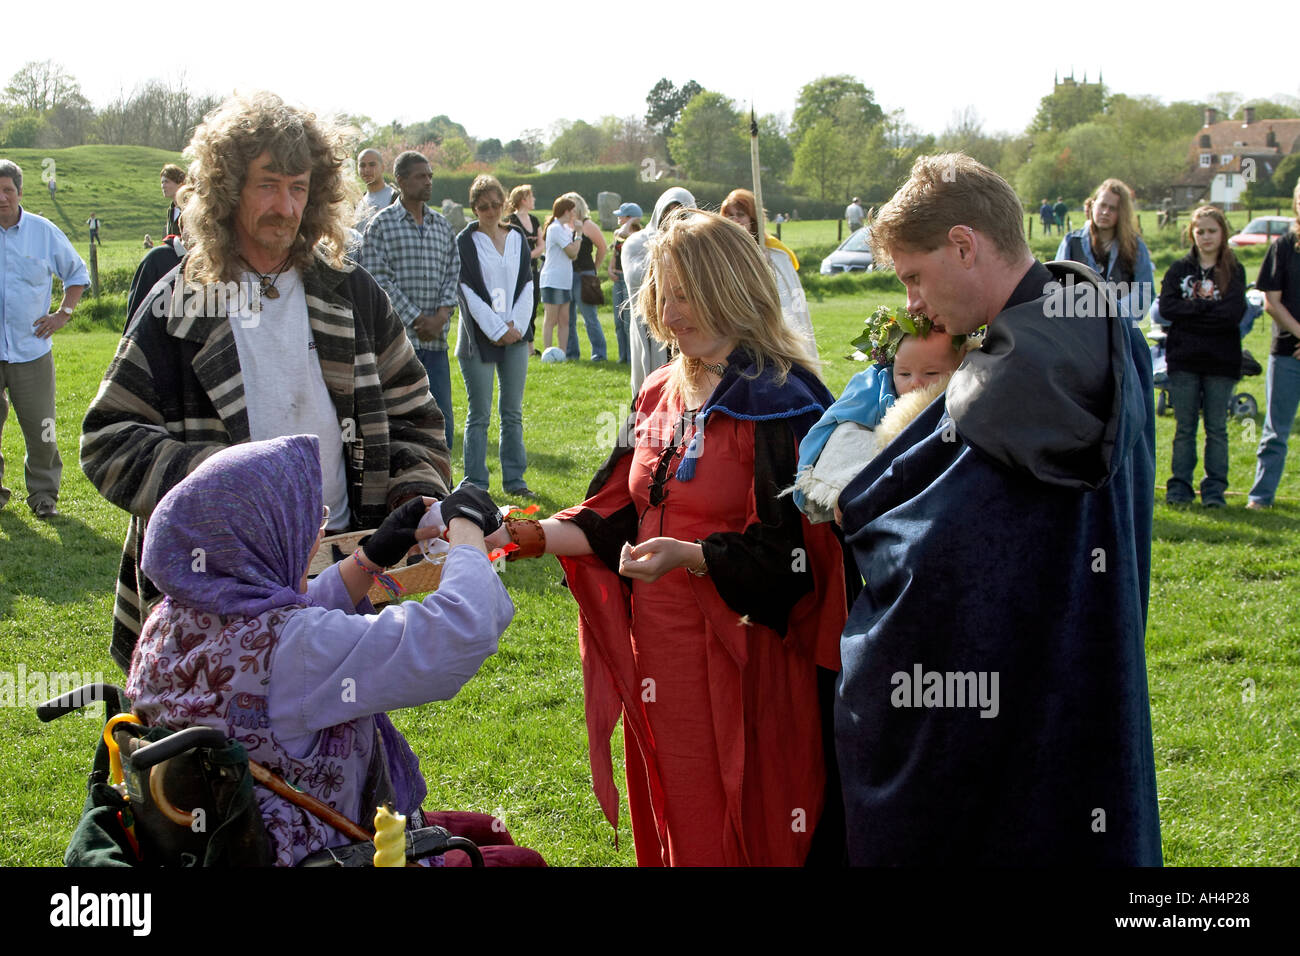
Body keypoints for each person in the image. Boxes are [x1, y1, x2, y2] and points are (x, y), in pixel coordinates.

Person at [490, 210, 846, 865]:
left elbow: (793, 559)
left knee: (745, 813)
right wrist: (524, 535)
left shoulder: (783, 403)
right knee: (681, 810)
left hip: (742, 654)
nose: (669, 309)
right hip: (658, 652)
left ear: (730, 290)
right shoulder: (656, 394)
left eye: (686, 292)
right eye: (661, 290)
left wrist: (699, 557)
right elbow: (614, 514)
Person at [837, 153, 1160, 865]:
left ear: (964, 244)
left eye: (915, 277)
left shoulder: (993, 396)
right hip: (1093, 684)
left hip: (1006, 739)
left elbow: (930, 566)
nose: (913, 305)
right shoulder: (1113, 338)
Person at [81, 91, 452, 673]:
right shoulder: (182, 302)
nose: (285, 205)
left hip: (340, 571)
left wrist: (409, 502)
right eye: (268, 184)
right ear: (227, 189)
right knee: (222, 757)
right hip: (214, 586)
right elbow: (108, 439)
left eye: (299, 187)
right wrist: (226, 491)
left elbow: (415, 418)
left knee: (335, 747)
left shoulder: (352, 295)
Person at [125, 434, 543, 866]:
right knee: (522, 861)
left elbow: (274, 626)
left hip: (236, 833)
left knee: (484, 829)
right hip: (322, 847)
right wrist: (468, 531)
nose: (317, 533)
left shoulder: (171, 619)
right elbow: (457, 631)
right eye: (307, 521)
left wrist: (370, 558)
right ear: (261, 535)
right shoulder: (295, 648)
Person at [793, 308, 972, 524]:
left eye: (931, 373)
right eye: (904, 374)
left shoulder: (958, 401)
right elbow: (841, 428)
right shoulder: (879, 395)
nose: (915, 382)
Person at [0, 159, 89, 519]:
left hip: (30, 351)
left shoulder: (42, 231)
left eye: (7, 191)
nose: (1, 198)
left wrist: (63, 314)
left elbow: (77, 274)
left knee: (43, 430)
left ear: (20, 192)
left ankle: (43, 497)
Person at [360, 150, 460, 451]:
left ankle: (444, 485)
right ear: (400, 180)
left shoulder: (442, 226)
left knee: (442, 417)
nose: (428, 181)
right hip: (398, 343)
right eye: (420, 176)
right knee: (404, 420)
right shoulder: (380, 226)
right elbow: (379, 282)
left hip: (436, 342)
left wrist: (441, 316)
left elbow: (452, 273)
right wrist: (419, 319)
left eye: (430, 175)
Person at [1158, 205, 1245, 507]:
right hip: (1184, 359)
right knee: (1184, 427)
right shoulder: (1179, 269)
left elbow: (1232, 314)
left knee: (1217, 428)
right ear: (1191, 234)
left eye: (1212, 231)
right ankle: (1179, 487)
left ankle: (1214, 490)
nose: (1206, 237)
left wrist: (1191, 312)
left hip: (1222, 361)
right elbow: (1167, 309)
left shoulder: (1235, 270)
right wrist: (1203, 308)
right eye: (1200, 231)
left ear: (1223, 233)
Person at [456, 175, 534, 497]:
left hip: (516, 334)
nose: (490, 211)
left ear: (504, 204)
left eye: (495, 204)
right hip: (478, 336)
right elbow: (466, 290)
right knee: (479, 414)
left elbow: (528, 283)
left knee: (512, 412)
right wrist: (496, 329)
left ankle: (515, 481)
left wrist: (514, 326)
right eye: (483, 206)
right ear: (474, 208)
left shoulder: (516, 236)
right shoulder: (465, 242)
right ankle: (475, 482)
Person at [1248, 179, 1300, 510]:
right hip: (1286, 354)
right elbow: (1271, 302)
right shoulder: (1282, 247)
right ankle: (1260, 497)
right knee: (1275, 432)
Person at [721, 188, 816, 354]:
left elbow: (790, 301)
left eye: (741, 214)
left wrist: (764, 266)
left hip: (772, 335)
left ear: (753, 219)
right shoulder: (719, 255)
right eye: (729, 215)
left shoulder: (776, 254)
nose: (735, 220)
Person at [622, 187, 696, 395]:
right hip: (652, 328)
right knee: (653, 388)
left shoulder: (701, 247)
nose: (673, 220)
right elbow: (636, 277)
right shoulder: (636, 243)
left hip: (690, 327)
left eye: (680, 214)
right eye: (667, 212)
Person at [1056, 179, 1154, 324]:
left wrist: (1113, 312)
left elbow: (1144, 292)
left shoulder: (1135, 247)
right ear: (1093, 204)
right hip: (1078, 330)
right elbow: (1056, 288)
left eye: (1112, 208)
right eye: (1102, 205)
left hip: (1120, 331)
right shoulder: (1071, 243)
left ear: (1122, 213)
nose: (1105, 212)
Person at [562, 192, 608, 362]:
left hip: (584, 275)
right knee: (568, 318)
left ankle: (599, 354)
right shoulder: (564, 226)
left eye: (573, 205)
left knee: (590, 318)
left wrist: (594, 268)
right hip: (567, 275)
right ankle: (571, 353)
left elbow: (602, 247)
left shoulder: (588, 225)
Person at [538, 196, 581, 355]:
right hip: (552, 279)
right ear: (566, 211)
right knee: (551, 319)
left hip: (564, 280)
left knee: (564, 320)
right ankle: (548, 352)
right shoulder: (555, 228)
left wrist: (576, 236)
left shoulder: (566, 229)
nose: (575, 214)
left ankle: (562, 353)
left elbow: (574, 254)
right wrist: (580, 234)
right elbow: (572, 252)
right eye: (573, 211)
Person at [505, 184, 543, 349]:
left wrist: (528, 256)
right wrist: (525, 256)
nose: (534, 199)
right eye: (531, 196)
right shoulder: (511, 221)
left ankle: (531, 346)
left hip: (533, 270)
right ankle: (520, 343)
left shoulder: (534, 220)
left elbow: (542, 245)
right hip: (517, 273)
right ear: (523, 199)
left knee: (532, 308)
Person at [608, 202, 642, 365]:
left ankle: (631, 358)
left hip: (630, 282)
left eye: (622, 215)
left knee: (629, 320)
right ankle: (622, 357)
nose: (618, 218)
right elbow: (615, 253)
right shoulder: (618, 233)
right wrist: (610, 268)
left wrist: (631, 223)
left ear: (630, 218)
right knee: (618, 321)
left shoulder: (638, 235)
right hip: (618, 279)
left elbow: (625, 235)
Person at [354, 147, 396, 227]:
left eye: (372, 165)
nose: (367, 170)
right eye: (362, 165)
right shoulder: (358, 202)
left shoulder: (396, 198)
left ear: (383, 167)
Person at [161, 164, 185, 236]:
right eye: (162, 182)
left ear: (179, 183)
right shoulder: (171, 210)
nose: (163, 186)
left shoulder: (188, 209)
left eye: (167, 182)